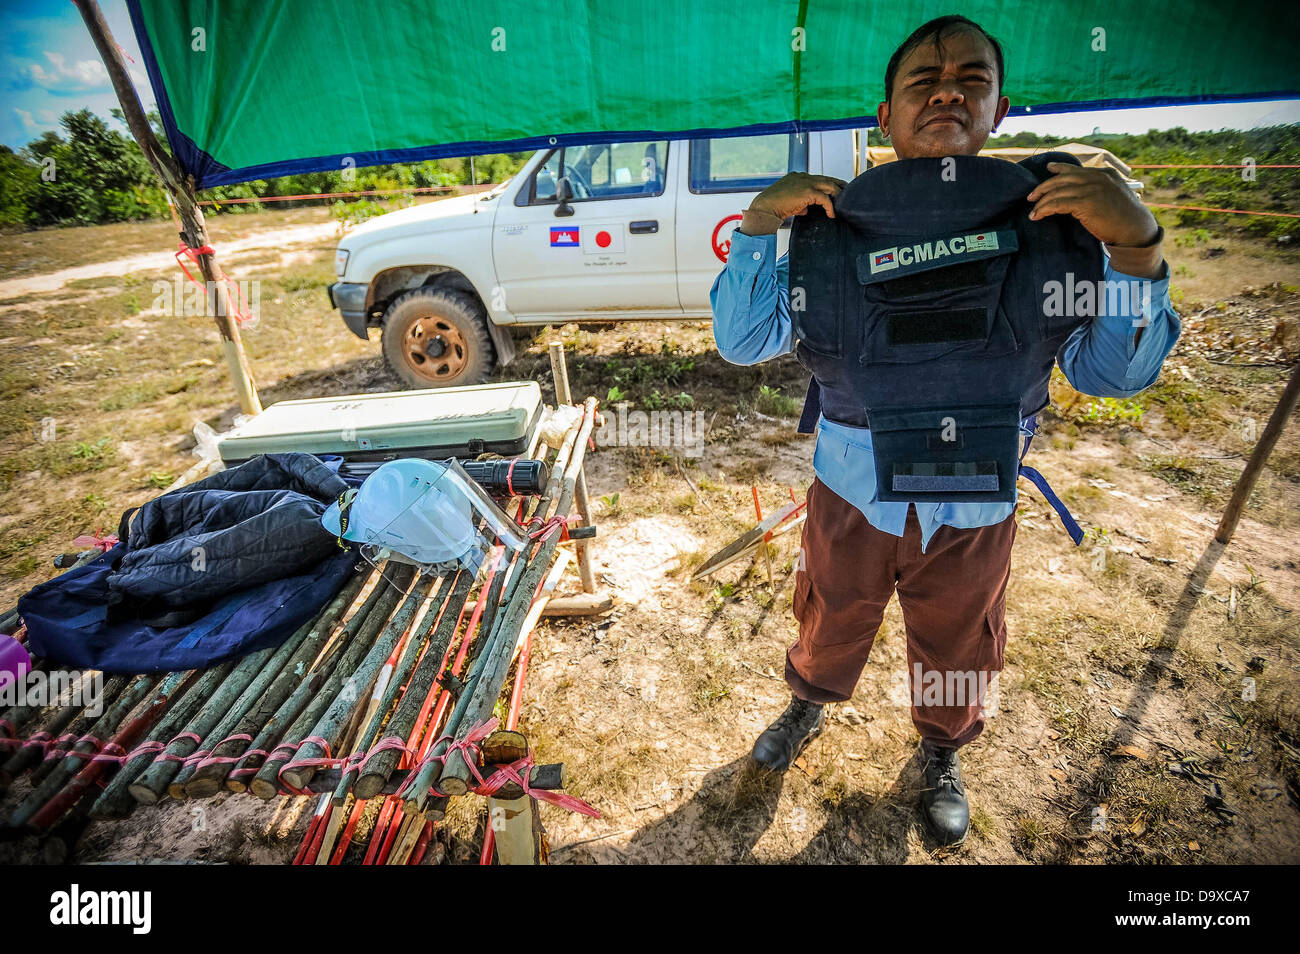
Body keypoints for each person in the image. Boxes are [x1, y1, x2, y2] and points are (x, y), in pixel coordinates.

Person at [709, 15, 1180, 846]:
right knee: (831, 612)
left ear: (999, 109)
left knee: (958, 638)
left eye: (971, 77)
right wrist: (756, 228)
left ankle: (940, 749)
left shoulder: (1055, 228)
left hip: (973, 505)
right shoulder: (828, 228)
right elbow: (744, 343)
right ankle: (809, 703)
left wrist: (1137, 249)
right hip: (850, 493)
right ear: (883, 117)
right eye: (921, 81)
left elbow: (1110, 377)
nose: (947, 91)